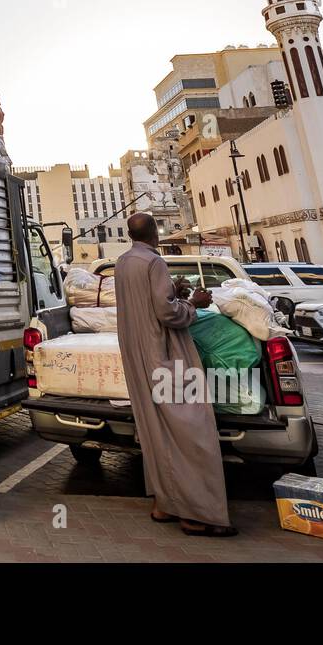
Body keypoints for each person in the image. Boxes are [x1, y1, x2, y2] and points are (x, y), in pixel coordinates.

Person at [115, 213, 237, 537]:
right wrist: (194, 303)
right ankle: (195, 515)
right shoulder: (154, 262)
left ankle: (164, 504)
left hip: (138, 359)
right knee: (192, 434)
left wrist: (175, 292)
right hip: (165, 360)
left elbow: (149, 302)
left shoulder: (123, 262)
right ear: (154, 232)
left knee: (156, 433)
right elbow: (166, 312)